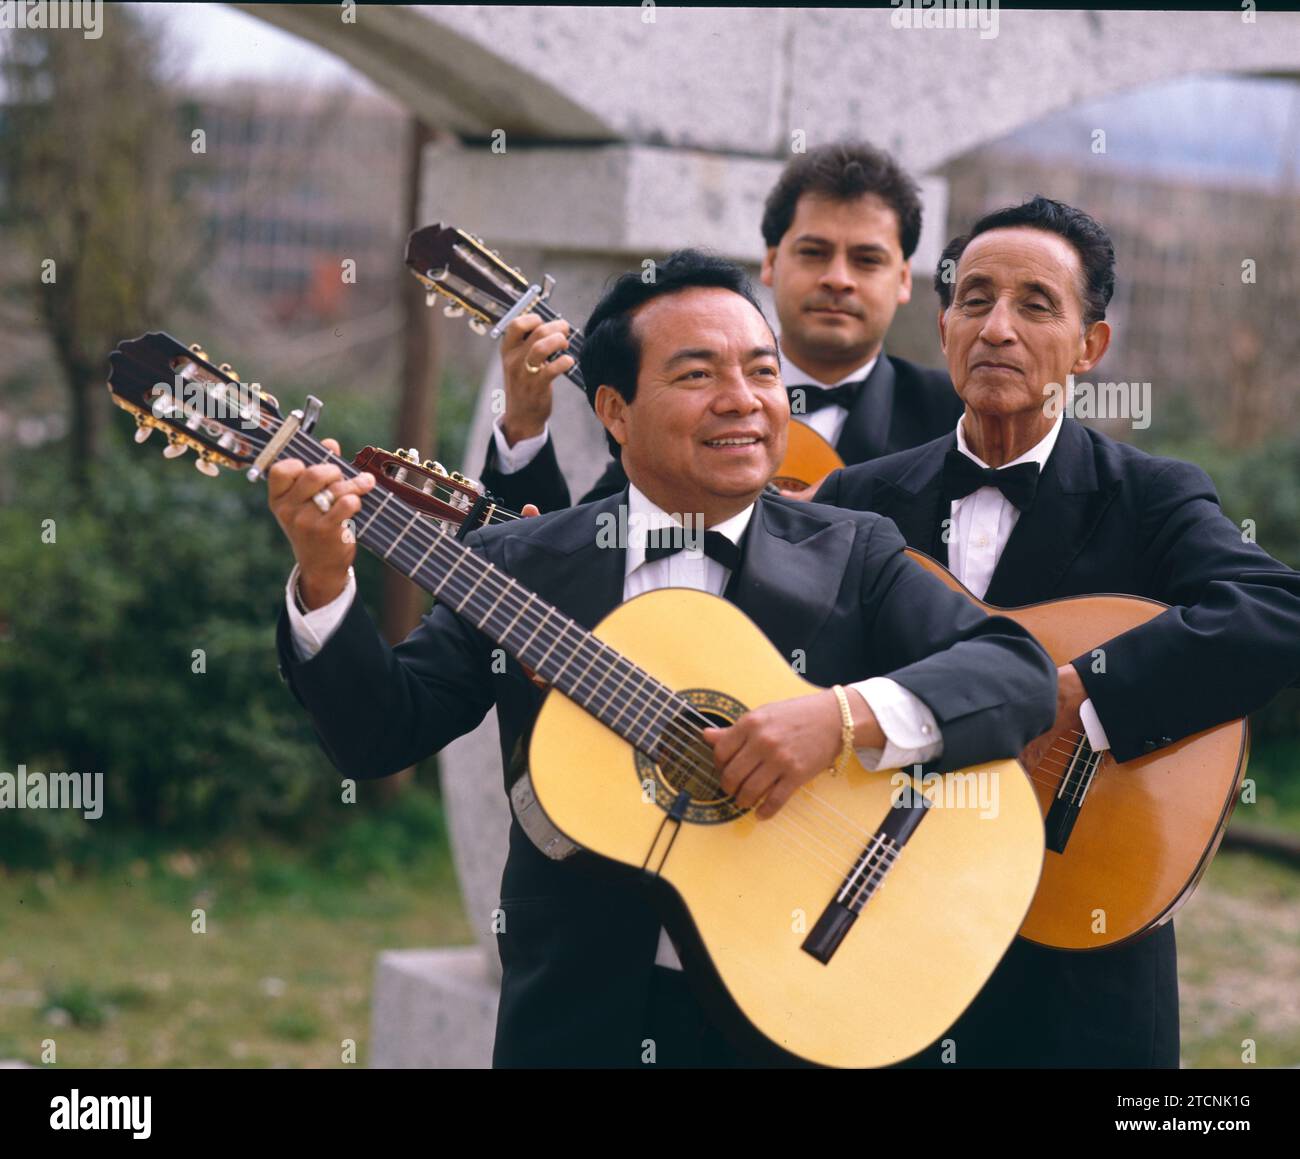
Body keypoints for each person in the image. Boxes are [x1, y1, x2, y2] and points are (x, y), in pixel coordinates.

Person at [270, 249, 1057, 1067]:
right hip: (579, 1023)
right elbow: (380, 735)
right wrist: (324, 581)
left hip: (801, 1007)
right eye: (697, 375)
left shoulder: (853, 550)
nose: (743, 399)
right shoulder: (521, 565)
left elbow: (1017, 672)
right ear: (614, 410)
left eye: (762, 371)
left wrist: (840, 718)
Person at [814, 195, 1300, 1068]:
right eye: (974, 300)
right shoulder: (857, 498)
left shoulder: (1150, 495)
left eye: (1036, 305)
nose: (997, 327)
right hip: (892, 929)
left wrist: (1077, 691)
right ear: (944, 325)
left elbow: (1276, 611)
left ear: (1090, 346)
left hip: (1080, 953)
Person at [478, 141, 963, 513]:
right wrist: (524, 428)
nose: (838, 278)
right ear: (770, 262)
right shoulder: (676, 417)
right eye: (814, 252)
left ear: (904, 278)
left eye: (867, 259)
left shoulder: (956, 415)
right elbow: (554, 562)